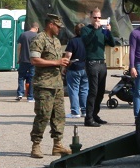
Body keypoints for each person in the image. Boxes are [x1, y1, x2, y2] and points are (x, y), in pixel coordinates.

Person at [28, 14, 71, 159]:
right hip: (44, 85)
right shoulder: (39, 39)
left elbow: (58, 61)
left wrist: (64, 63)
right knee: (43, 115)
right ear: (50, 24)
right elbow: (34, 60)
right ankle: (36, 145)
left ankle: (57, 145)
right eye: (58, 26)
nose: (59, 29)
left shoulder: (57, 41)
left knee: (59, 116)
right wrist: (57, 62)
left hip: (57, 84)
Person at [81, 9, 116, 127]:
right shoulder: (86, 29)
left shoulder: (103, 30)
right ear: (90, 18)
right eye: (95, 17)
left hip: (102, 63)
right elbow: (86, 41)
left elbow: (112, 43)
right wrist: (95, 30)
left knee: (101, 92)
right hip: (91, 62)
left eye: (99, 18)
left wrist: (109, 32)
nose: (97, 20)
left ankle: (95, 114)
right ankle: (88, 118)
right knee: (93, 91)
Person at [63, 23, 88, 118]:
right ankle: (85, 110)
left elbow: (68, 55)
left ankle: (75, 111)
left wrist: (64, 67)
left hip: (74, 68)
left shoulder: (72, 41)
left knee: (73, 90)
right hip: (86, 68)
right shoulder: (88, 41)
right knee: (84, 90)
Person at [15, 22, 38, 102]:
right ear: (36, 28)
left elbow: (19, 47)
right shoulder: (37, 36)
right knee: (32, 78)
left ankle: (20, 94)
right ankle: (30, 97)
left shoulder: (23, 35)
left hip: (23, 59)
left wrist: (19, 58)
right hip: (33, 60)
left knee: (21, 77)